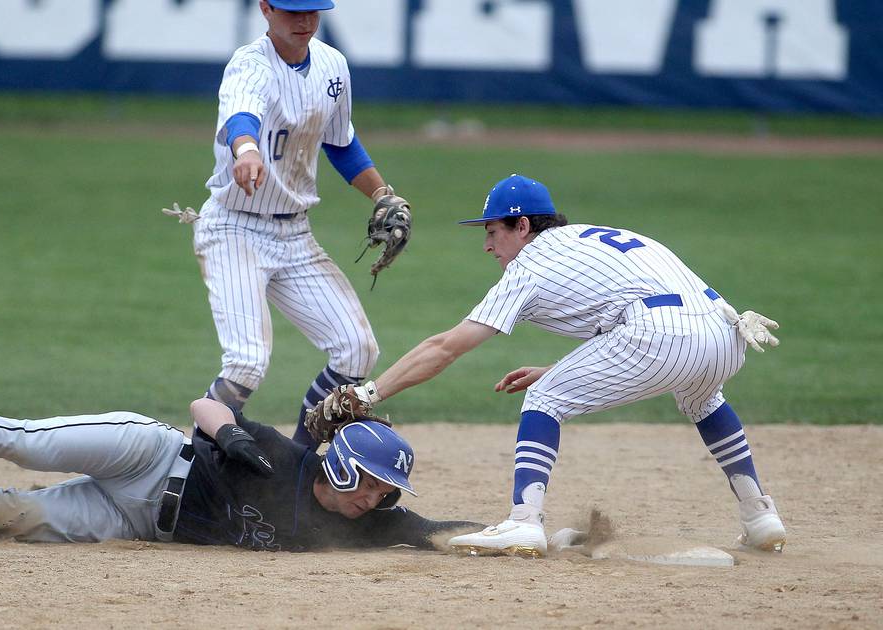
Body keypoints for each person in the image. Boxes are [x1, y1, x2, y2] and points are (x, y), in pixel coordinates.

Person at [308, 173, 786, 557]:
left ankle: (523, 522)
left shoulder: (530, 264)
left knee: (546, 398)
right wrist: (562, 367)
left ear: (522, 227)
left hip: (661, 333)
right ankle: (760, 516)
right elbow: (630, 308)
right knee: (703, 399)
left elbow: (447, 347)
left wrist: (367, 393)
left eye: (493, 231)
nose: (487, 245)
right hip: (727, 331)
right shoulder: (590, 240)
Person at [171, 0, 413, 448]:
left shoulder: (332, 65)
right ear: (265, 8)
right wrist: (247, 150)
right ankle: (194, 464)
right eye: (291, 10)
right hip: (233, 230)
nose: (303, 20)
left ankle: (300, 463)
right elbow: (241, 118)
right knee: (246, 363)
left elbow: (340, 143)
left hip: (295, 233)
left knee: (358, 349)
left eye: (312, 11)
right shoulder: (249, 64)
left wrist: (382, 193)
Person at [0, 402, 479, 551]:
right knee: (27, 446)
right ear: (339, 465)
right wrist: (229, 435)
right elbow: (206, 407)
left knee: (10, 514)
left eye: (386, 491)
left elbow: (439, 533)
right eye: (371, 482)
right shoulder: (283, 458)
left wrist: (522, 534)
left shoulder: (368, 527)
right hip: (151, 456)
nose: (376, 498)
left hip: (136, 522)